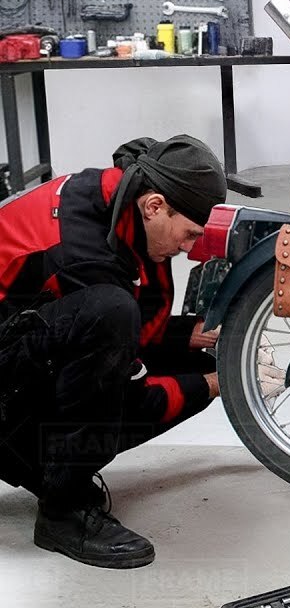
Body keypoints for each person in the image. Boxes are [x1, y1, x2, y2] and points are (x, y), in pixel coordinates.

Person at [0, 135, 228, 569]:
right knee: (112, 315)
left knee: (188, 354)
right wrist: (218, 386)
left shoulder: (119, 201)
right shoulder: (80, 251)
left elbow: (114, 332)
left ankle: (46, 463)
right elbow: (130, 391)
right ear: (156, 206)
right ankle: (61, 512)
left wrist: (191, 337)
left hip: (21, 343)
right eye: (188, 235)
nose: (188, 248)